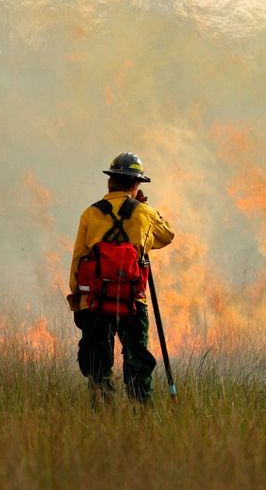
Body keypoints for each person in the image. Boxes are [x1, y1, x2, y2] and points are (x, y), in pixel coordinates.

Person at [67, 152, 175, 404]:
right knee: (137, 357)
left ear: (110, 181)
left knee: (97, 360)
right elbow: (167, 235)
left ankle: (103, 411)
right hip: (133, 301)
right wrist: (144, 208)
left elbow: (78, 258)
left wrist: (77, 298)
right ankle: (141, 411)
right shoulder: (144, 213)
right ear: (136, 185)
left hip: (94, 300)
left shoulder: (90, 214)